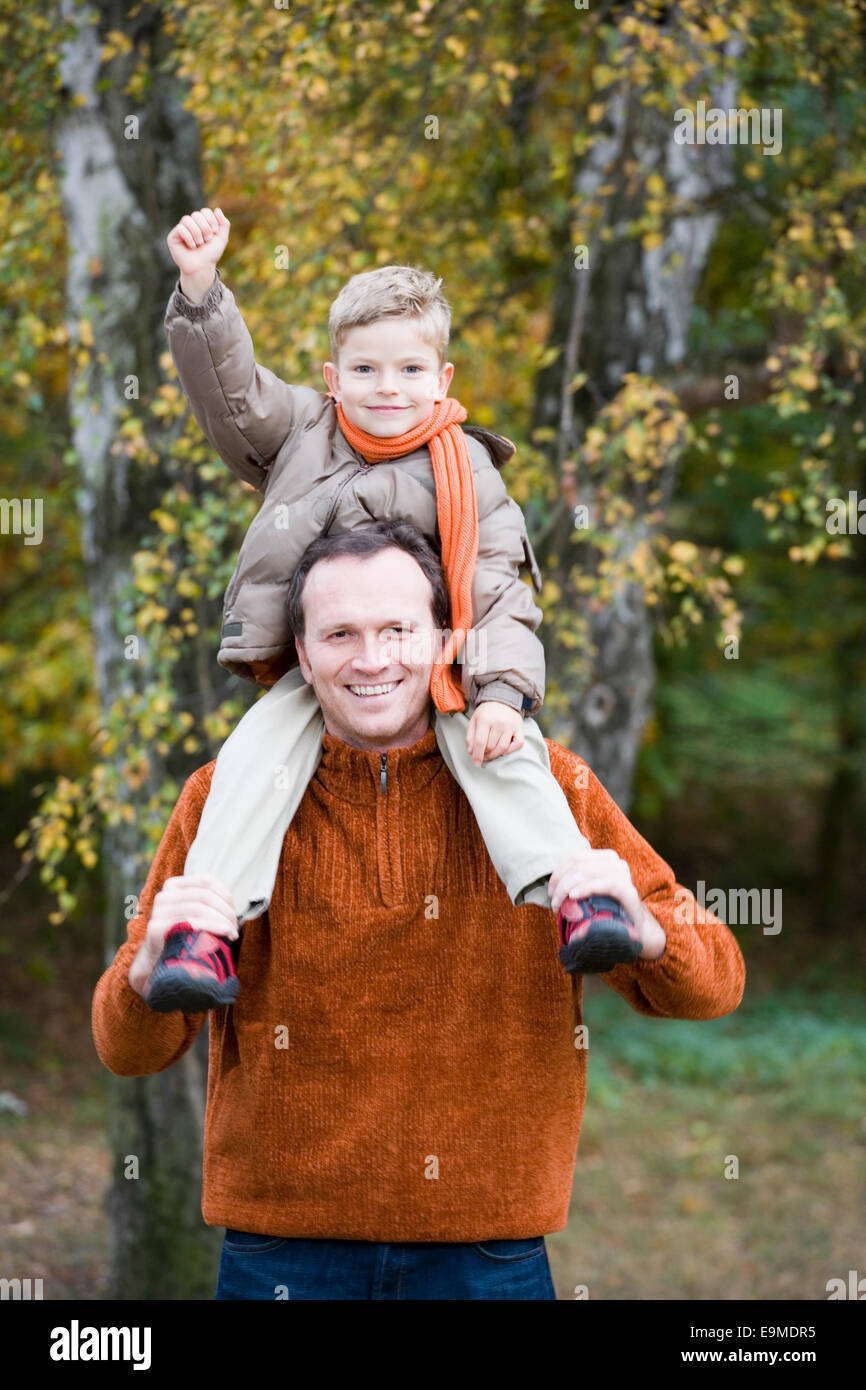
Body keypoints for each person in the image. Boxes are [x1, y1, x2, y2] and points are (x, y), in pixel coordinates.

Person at [91, 525, 745, 1300]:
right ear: (303, 655)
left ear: (443, 637)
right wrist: (142, 972)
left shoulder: (547, 790)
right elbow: (128, 1051)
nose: (371, 660)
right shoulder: (224, 798)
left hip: (486, 1254)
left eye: (397, 629)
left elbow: (717, 983)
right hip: (281, 1252)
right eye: (340, 634)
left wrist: (647, 932)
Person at [149, 205, 642, 1011]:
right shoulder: (303, 429)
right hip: (331, 668)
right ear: (333, 375)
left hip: (438, 666)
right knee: (250, 763)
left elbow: (498, 583)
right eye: (367, 371)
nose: (388, 389)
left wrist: (503, 696)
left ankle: (578, 898)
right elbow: (231, 396)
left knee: (510, 757)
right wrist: (201, 288)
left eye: (410, 371)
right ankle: (205, 932)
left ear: (442, 379)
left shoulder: (469, 469)